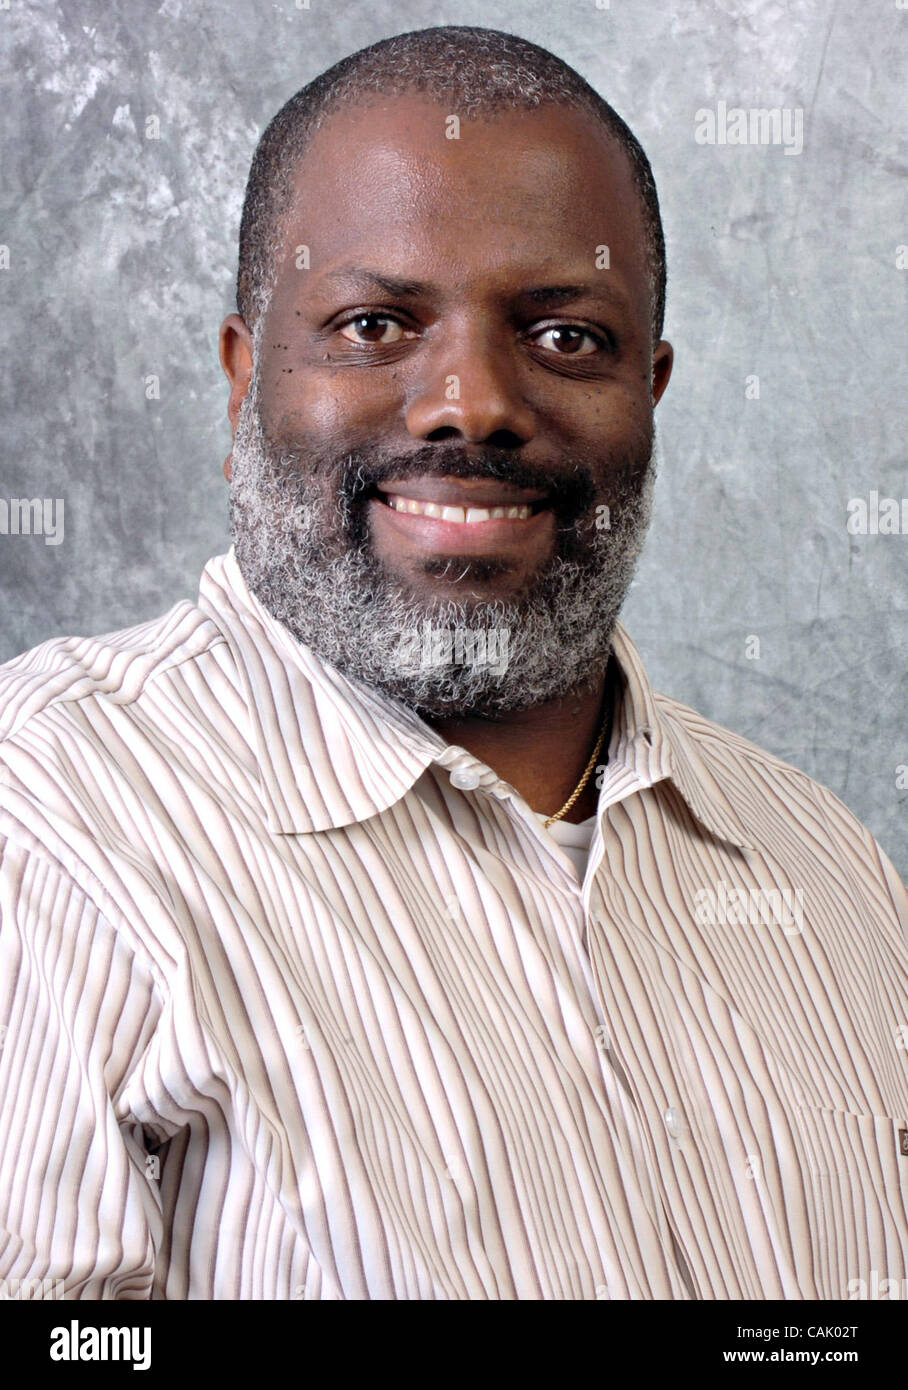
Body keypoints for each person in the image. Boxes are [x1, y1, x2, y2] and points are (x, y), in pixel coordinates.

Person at [0, 24, 905, 1302]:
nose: (470, 401)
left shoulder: (822, 866)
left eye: (565, 336)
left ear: (650, 391)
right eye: (374, 323)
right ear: (243, 378)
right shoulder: (44, 826)